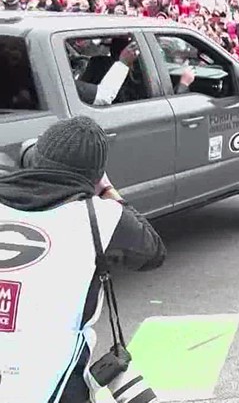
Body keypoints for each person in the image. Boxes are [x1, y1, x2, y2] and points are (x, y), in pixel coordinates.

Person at [0, 116, 165, 402]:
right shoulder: (99, 216)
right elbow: (152, 252)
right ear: (95, 175)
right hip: (52, 384)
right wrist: (108, 191)